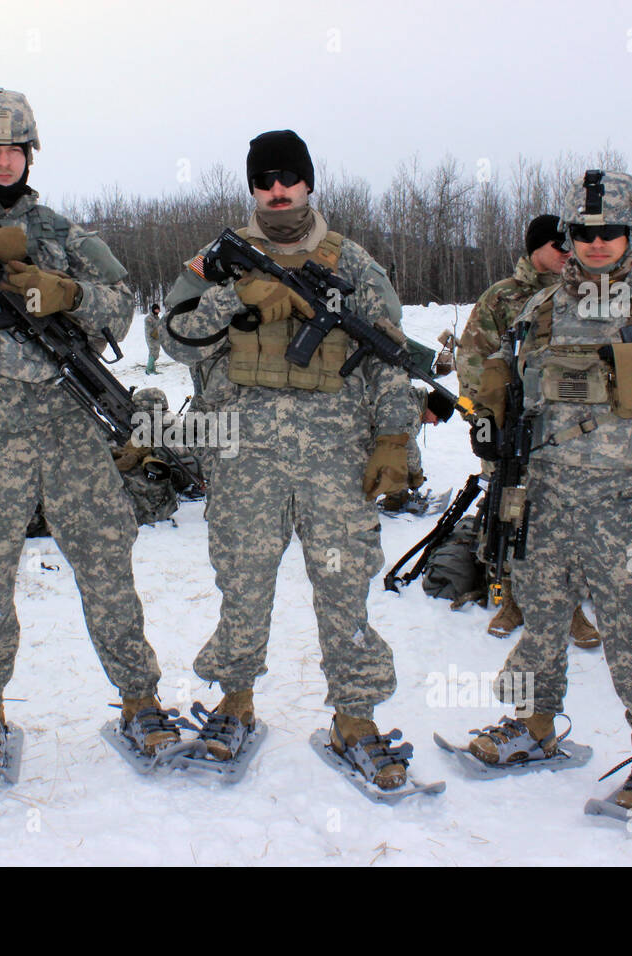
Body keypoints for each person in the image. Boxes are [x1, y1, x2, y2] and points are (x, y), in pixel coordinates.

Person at [0, 89, 178, 763]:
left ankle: (141, 698)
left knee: (107, 563)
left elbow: (122, 306)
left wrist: (67, 293)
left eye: (16, 150)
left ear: (30, 155)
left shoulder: (66, 233)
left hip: (70, 426)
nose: (6, 161)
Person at [162, 130, 419, 788]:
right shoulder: (218, 261)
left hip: (335, 457)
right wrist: (237, 296)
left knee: (344, 588)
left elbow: (388, 354)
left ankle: (354, 719)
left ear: (309, 183)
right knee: (242, 584)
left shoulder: (352, 261)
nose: (278, 192)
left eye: (290, 179)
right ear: (253, 189)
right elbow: (176, 337)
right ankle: (235, 702)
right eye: (265, 181)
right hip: (244, 454)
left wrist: (395, 438)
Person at [467, 170, 632, 817]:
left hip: (629, 509)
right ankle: (534, 726)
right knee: (539, 625)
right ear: (570, 236)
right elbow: (512, 394)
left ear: (631, 234)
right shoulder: (541, 310)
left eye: (610, 231)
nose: (598, 242)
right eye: (585, 232)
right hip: (547, 504)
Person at [457, 215, 600, 647]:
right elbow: (474, 360)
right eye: (559, 246)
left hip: (567, 431)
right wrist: (482, 419)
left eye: (569, 247)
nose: (567, 254)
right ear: (536, 248)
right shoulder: (503, 297)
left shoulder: (583, 295)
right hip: (512, 427)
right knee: (511, 511)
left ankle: (570, 607)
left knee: (566, 518)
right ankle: (512, 598)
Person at [144, 303, 164, 374]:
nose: (157, 310)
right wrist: (156, 332)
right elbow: (149, 330)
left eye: (158, 309)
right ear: (153, 310)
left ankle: (152, 369)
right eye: (156, 309)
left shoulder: (157, 318)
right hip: (151, 338)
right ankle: (148, 369)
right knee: (153, 353)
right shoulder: (148, 318)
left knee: (155, 353)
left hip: (156, 337)